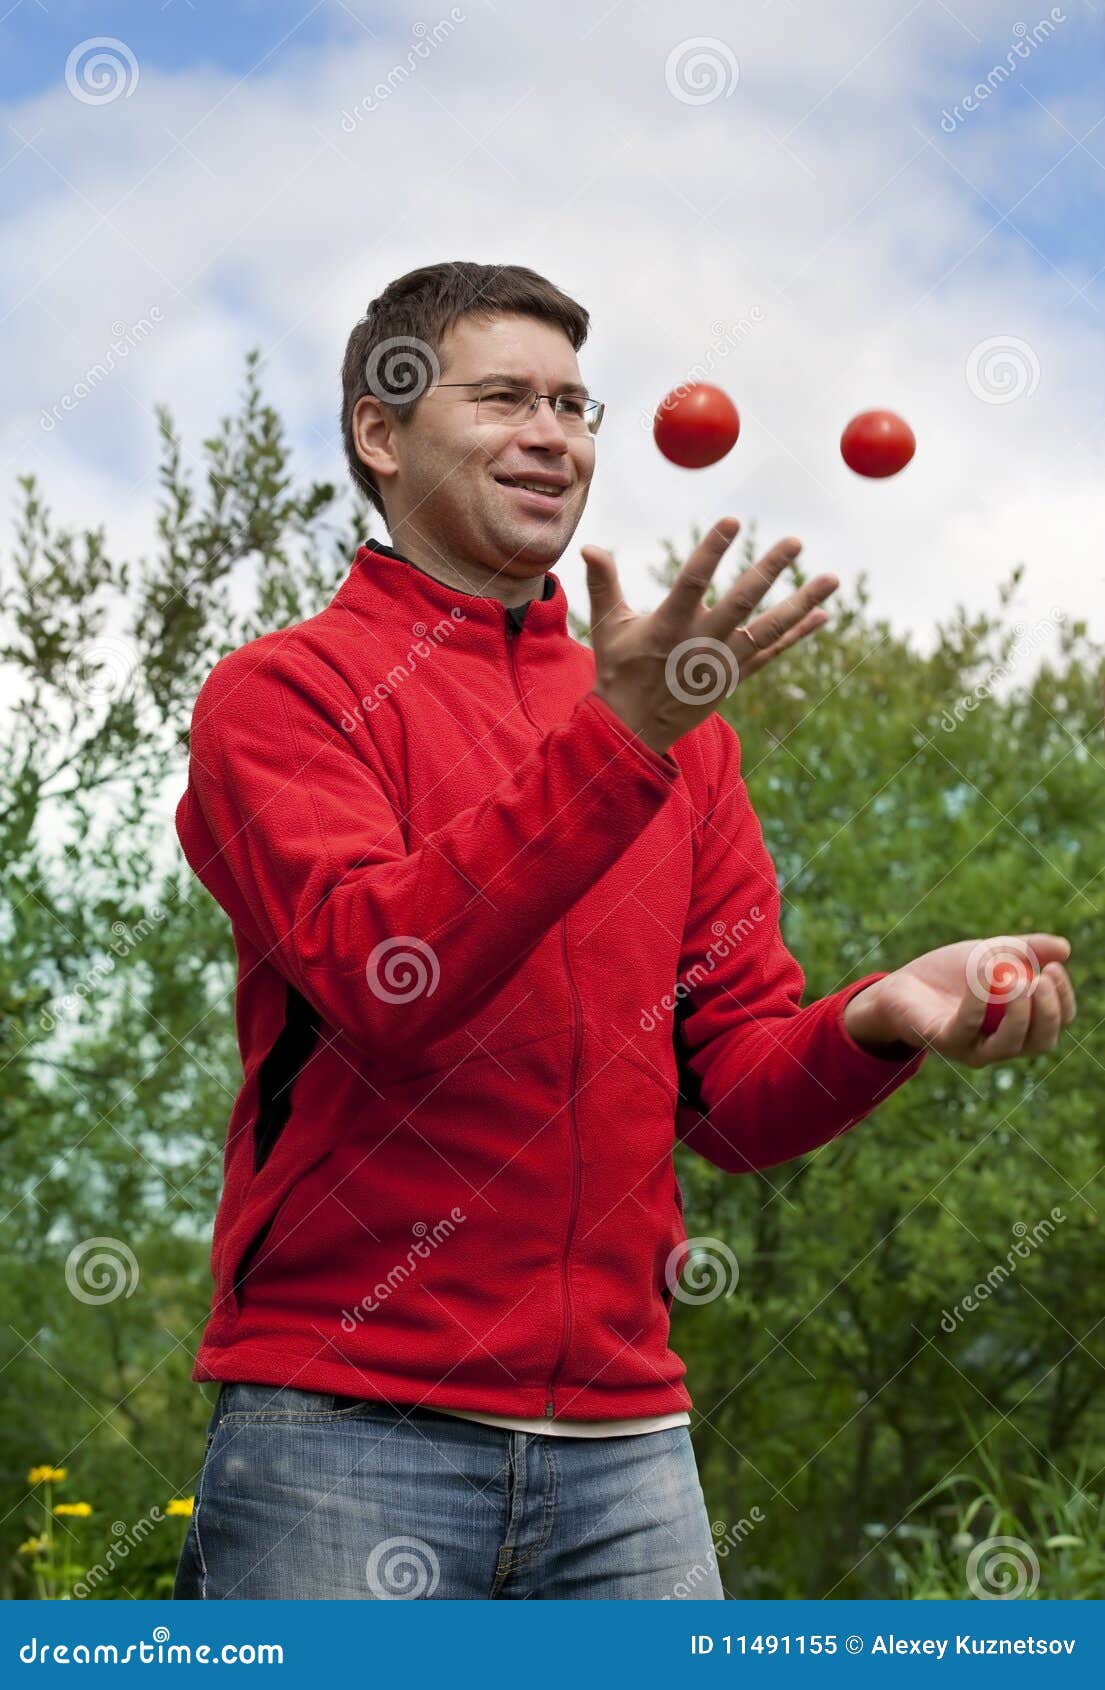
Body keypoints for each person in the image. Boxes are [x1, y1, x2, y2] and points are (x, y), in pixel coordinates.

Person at [172, 261, 1076, 1601]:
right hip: (343, 1428)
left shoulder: (673, 739)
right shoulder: (283, 695)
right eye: (504, 398)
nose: (554, 435)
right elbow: (385, 977)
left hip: (628, 1450)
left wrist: (878, 1018)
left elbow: (733, 1098)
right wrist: (620, 741)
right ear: (381, 430)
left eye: (573, 405)